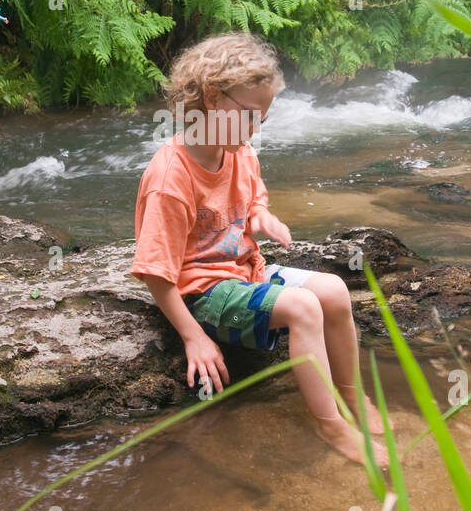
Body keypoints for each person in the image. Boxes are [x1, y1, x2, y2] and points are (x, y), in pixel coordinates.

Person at [131, 33, 391, 466]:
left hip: (244, 272)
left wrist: (260, 216)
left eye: (261, 121)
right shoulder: (170, 177)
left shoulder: (239, 152)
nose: (254, 130)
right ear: (213, 99)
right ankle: (332, 426)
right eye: (250, 116)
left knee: (334, 291)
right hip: (202, 294)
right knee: (305, 308)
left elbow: (254, 196)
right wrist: (193, 337)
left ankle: (352, 397)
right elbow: (155, 271)